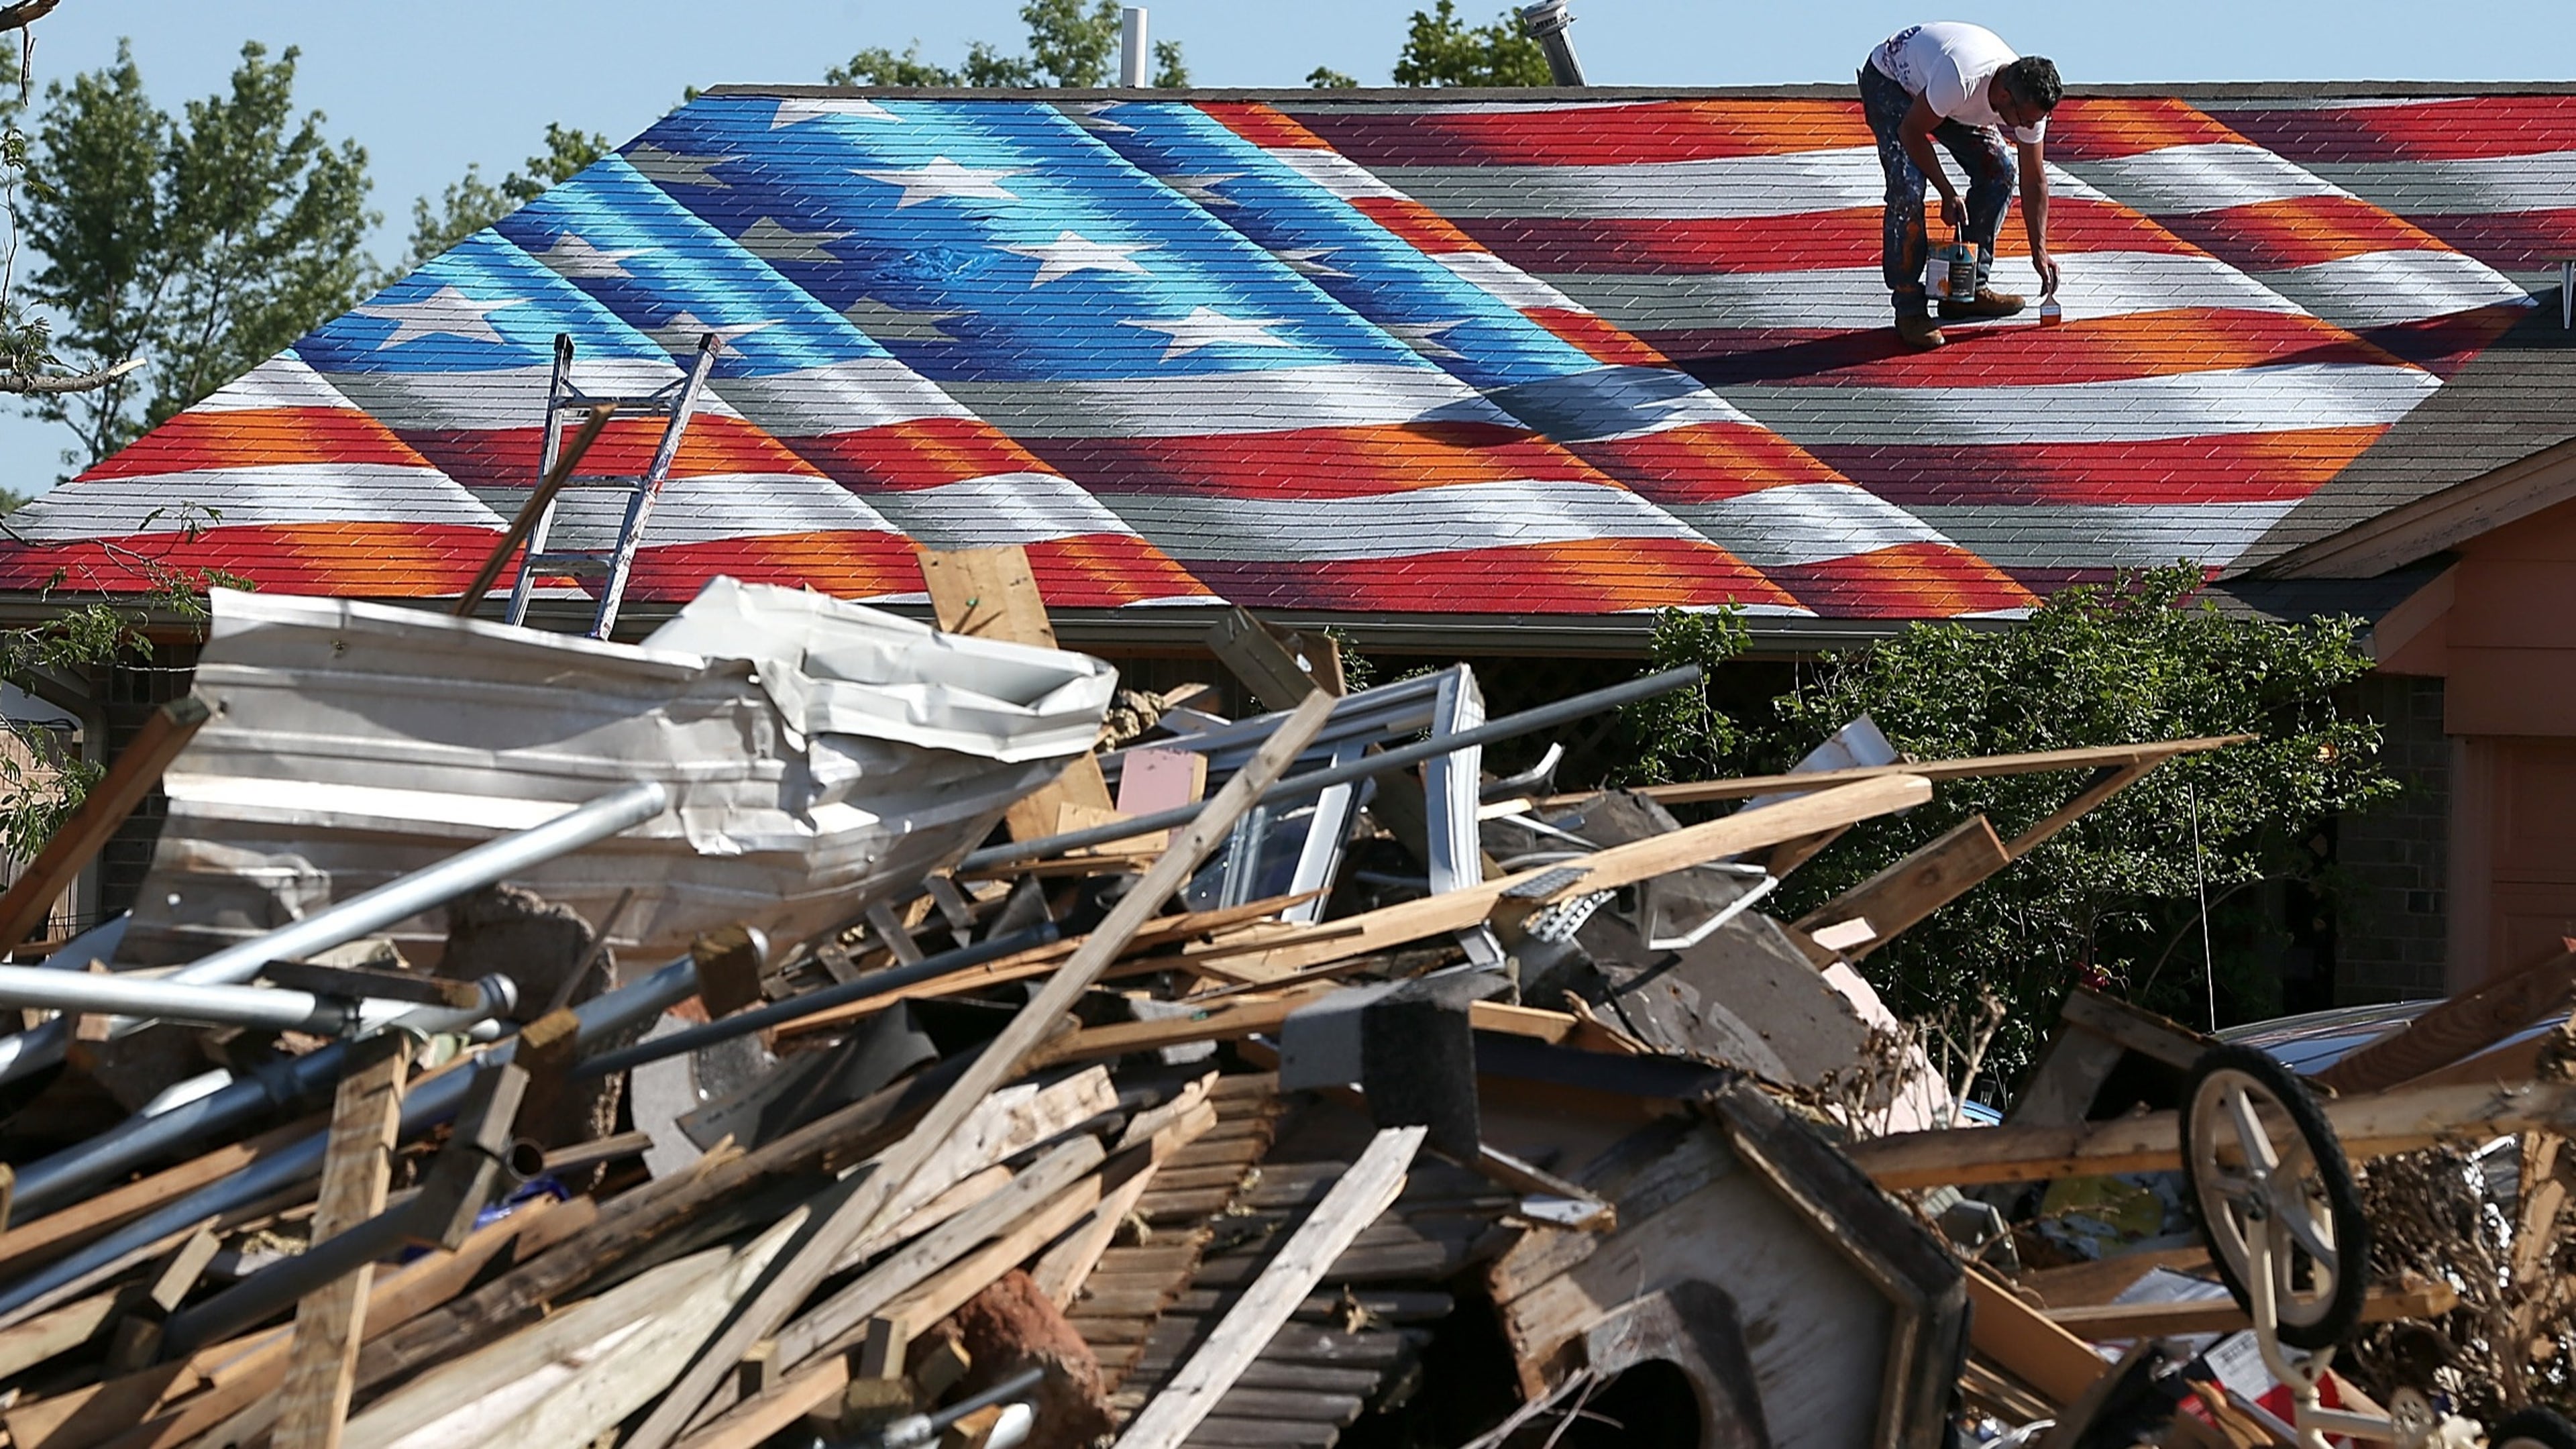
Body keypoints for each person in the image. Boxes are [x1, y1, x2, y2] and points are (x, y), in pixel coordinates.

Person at [1860, 22, 2063, 350]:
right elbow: (1912, 131)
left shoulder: (2027, 105)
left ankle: (1964, 291)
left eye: (2035, 121)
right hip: (1892, 83)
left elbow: (2034, 178)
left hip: (1941, 97)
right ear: (2004, 96)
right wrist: (1946, 191)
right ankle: (1909, 309)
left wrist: (2039, 251)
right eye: (2024, 120)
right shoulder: (1962, 78)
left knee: (2000, 170)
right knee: (1908, 189)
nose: (2029, 127)